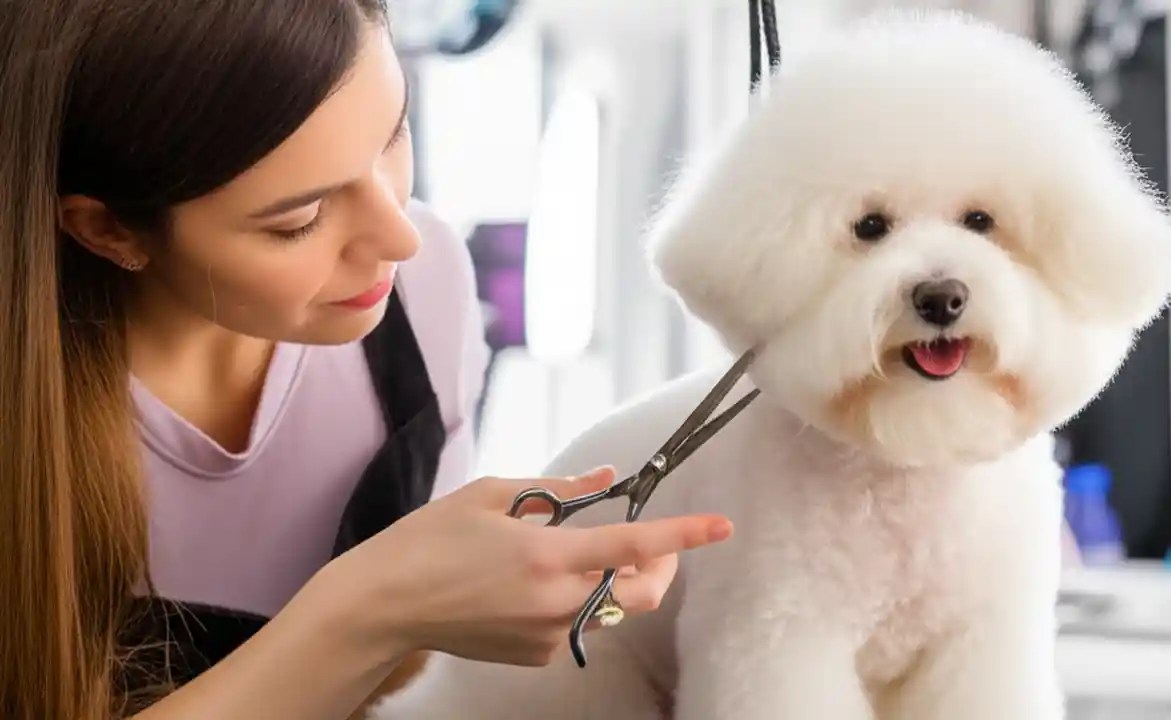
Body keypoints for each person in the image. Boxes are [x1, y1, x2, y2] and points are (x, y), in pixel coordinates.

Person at [0, 2, 736, 718]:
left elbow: (412, 690)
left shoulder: (422, 293)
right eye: (299, 221)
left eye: (394, 135)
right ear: (107, 230)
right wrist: (374, 610)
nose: (400, 236)